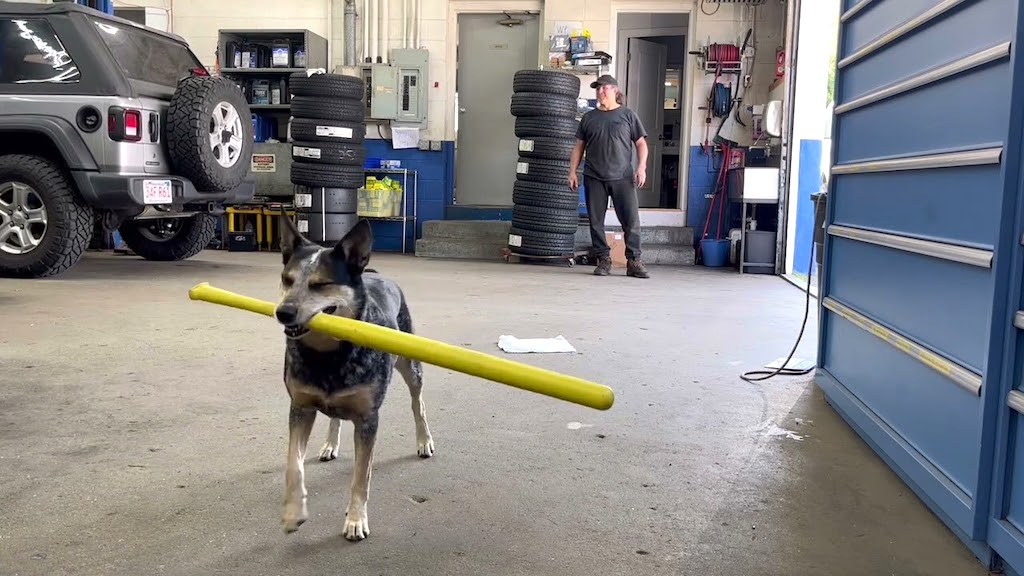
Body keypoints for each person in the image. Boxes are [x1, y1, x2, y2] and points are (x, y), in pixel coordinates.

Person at [569, 74, 650, 279]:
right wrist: (572, 172)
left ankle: (634, 261)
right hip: (594, 176)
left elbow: (641, 144)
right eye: (598, 89)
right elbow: (579, 146)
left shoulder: (628, 115)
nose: (600, 92)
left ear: (615, 90)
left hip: (623, 177)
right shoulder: (589, 118)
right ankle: (603, 259)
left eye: (604, 88)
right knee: (596, 222)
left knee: (631, 221)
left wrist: (641, 167)